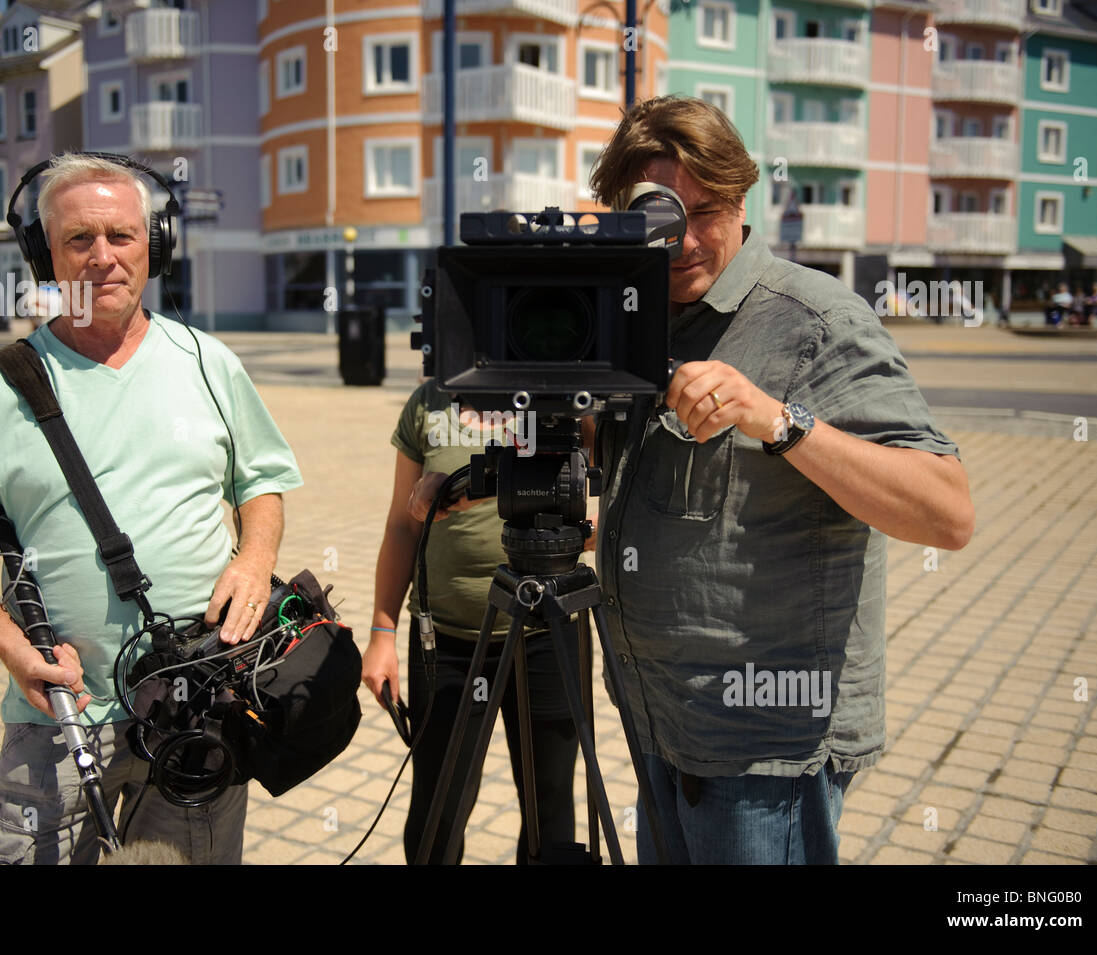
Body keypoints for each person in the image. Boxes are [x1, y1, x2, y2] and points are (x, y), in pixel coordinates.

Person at [585, 96, 974, 864]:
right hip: (659, 720)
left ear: (742, 200)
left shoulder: (816, 320)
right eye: (662, 218)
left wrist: (779, 421)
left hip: (765, 747)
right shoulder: (636, 316)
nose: (687, 241)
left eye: (710, 210)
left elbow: (946, 512)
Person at [0, 153, 303, 864]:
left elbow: (261, 480)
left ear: (156, 246)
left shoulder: (210, 362)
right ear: (43, 257)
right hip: (59, 719)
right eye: (78, 240)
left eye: (122, 235)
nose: (103, 258)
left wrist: (255, 555)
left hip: (197, 706)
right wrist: (9, 647)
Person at [360, 383, 579, 864]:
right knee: (437, 813)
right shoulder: (429, 402)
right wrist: (381, 631)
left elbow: (599, 516)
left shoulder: (566, 394)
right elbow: (402, 524)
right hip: (446, 641)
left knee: (552, 812)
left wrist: (478, 490)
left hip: (547, 634)